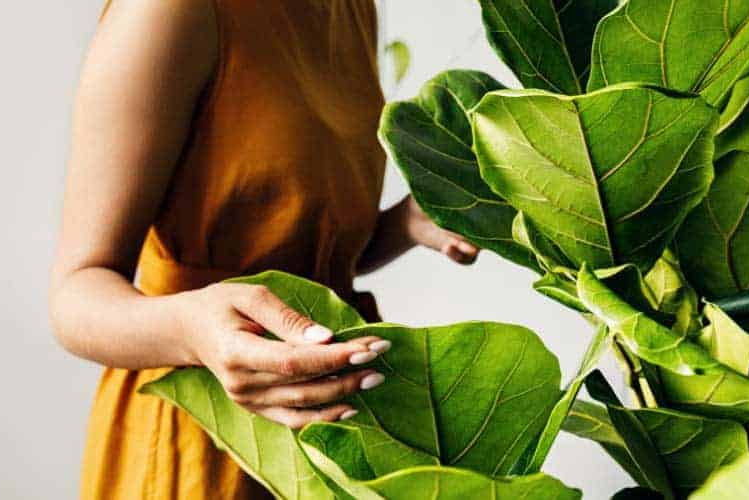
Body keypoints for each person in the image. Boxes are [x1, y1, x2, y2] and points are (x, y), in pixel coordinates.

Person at [49, 1, 479, 498]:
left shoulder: (353, 8)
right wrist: (191, 331)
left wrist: (404, 225)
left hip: (333, 435)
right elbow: (74, 294)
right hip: (202, 442)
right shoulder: (169, 11)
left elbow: (294, 254)